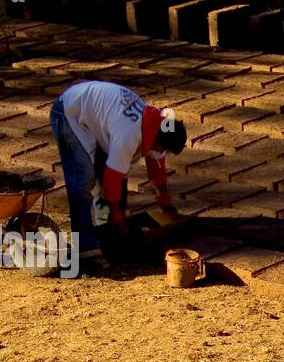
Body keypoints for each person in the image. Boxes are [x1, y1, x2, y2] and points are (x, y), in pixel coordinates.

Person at [49, 81, 187, 270]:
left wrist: (166, 205)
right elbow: (111, 181)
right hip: (69, 113)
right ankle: (85, 251)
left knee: (118, 170)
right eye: (163, 148)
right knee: (83, 182)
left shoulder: (160, 124)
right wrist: (119, 219)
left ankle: (107, 239)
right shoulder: (128, 135)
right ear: (157, 139)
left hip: (97, 118)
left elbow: (156, 167)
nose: (162, 152)